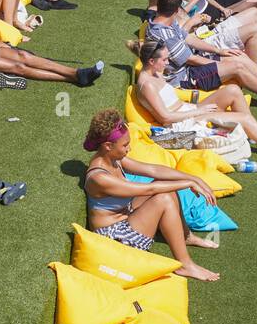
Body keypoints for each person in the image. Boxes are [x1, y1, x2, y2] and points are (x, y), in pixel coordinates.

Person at [81, 109, 220, 282]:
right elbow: (147, 191)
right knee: (162, 197)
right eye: (125, 145)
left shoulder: (114, 158)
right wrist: (189, 184)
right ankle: (185, 265)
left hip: (127, 215)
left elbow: (152, 170)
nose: (129, 149)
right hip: (114, 238)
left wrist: (194, 177)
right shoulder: (99, 178)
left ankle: (186, 236)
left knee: (164, 186)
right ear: (108, 146)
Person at [131, 39, 257, 163]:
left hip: (188, 111)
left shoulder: (155, 73)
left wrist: (196, 106)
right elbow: (165, 117)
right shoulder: (147, 85)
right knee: (243, 119)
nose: (168, 62)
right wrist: (198, 111)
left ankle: (253, 133)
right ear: (151, 61)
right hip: (181, 125)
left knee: (232, 90)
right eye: (164, 59)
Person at [146, 0, 257, 105]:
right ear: (176, 10)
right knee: (237, 65)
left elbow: (188, 38)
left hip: (191, 64)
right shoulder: (165, 35)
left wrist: (219, 51)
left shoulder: (164, 23)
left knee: (239, 56)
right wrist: (222, 62)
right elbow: (191, 59)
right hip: (185, 78)